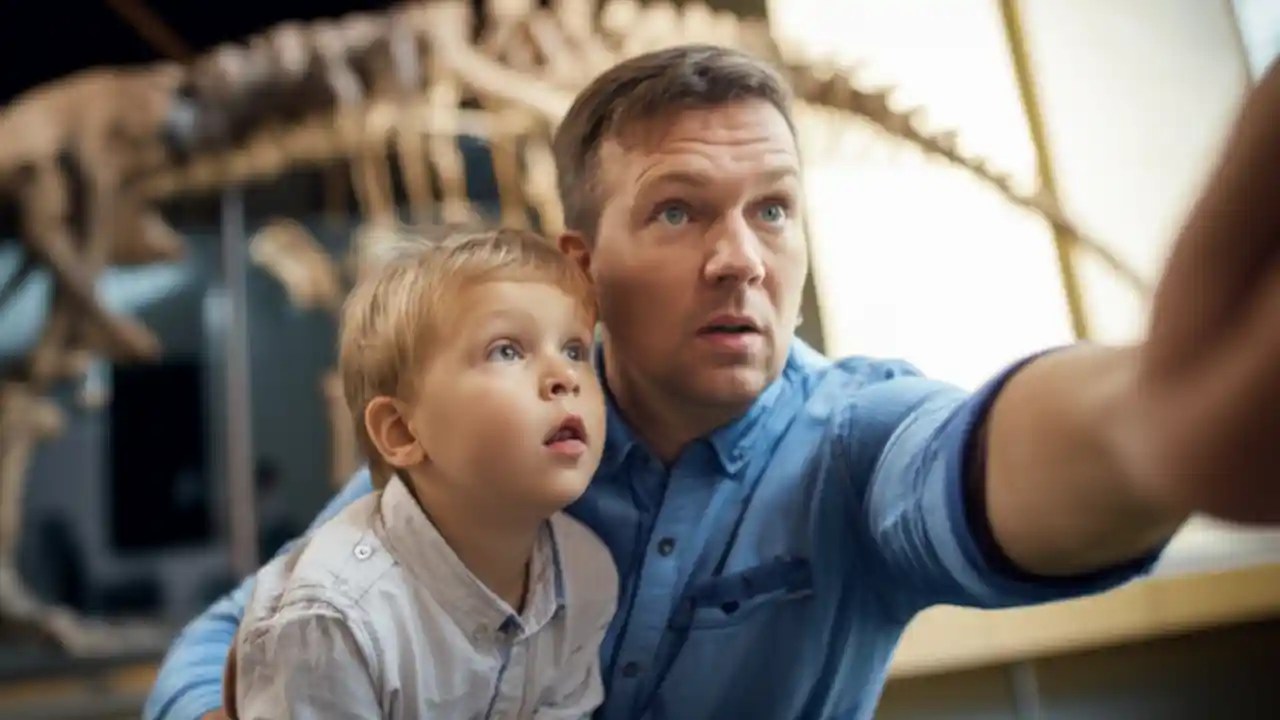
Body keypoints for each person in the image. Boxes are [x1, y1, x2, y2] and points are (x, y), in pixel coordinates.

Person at [146, 44, 1280, 720]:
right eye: (679, 211)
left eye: (772, 209)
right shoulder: (487, 448)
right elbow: (239, 631)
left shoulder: (853, 441)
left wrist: (1146, 429)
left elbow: (967, 461)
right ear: (582, 269)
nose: (741, 258)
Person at [227, 229, 617, 718]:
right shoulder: (331, 618)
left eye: (575, 349)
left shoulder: (585, 573)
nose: (565, 377)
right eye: (507, 350)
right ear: (401, 431)